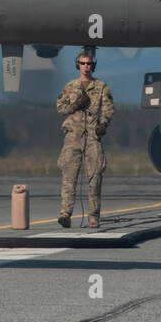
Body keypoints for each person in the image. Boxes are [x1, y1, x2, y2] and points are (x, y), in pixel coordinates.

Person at [55, 50, 115, 228]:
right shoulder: (70, 86)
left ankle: (93, 216)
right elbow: (60, 107)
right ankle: (65, 213)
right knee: (68, 176)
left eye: (88, 63)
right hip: (73, 135)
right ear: (78, 65)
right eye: (82, 63)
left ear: (93, 66)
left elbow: (108, 108)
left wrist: (103, 124)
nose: (86, 67)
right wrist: (75, 105)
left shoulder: (101, 86)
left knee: (94, 177)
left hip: (92, 136)